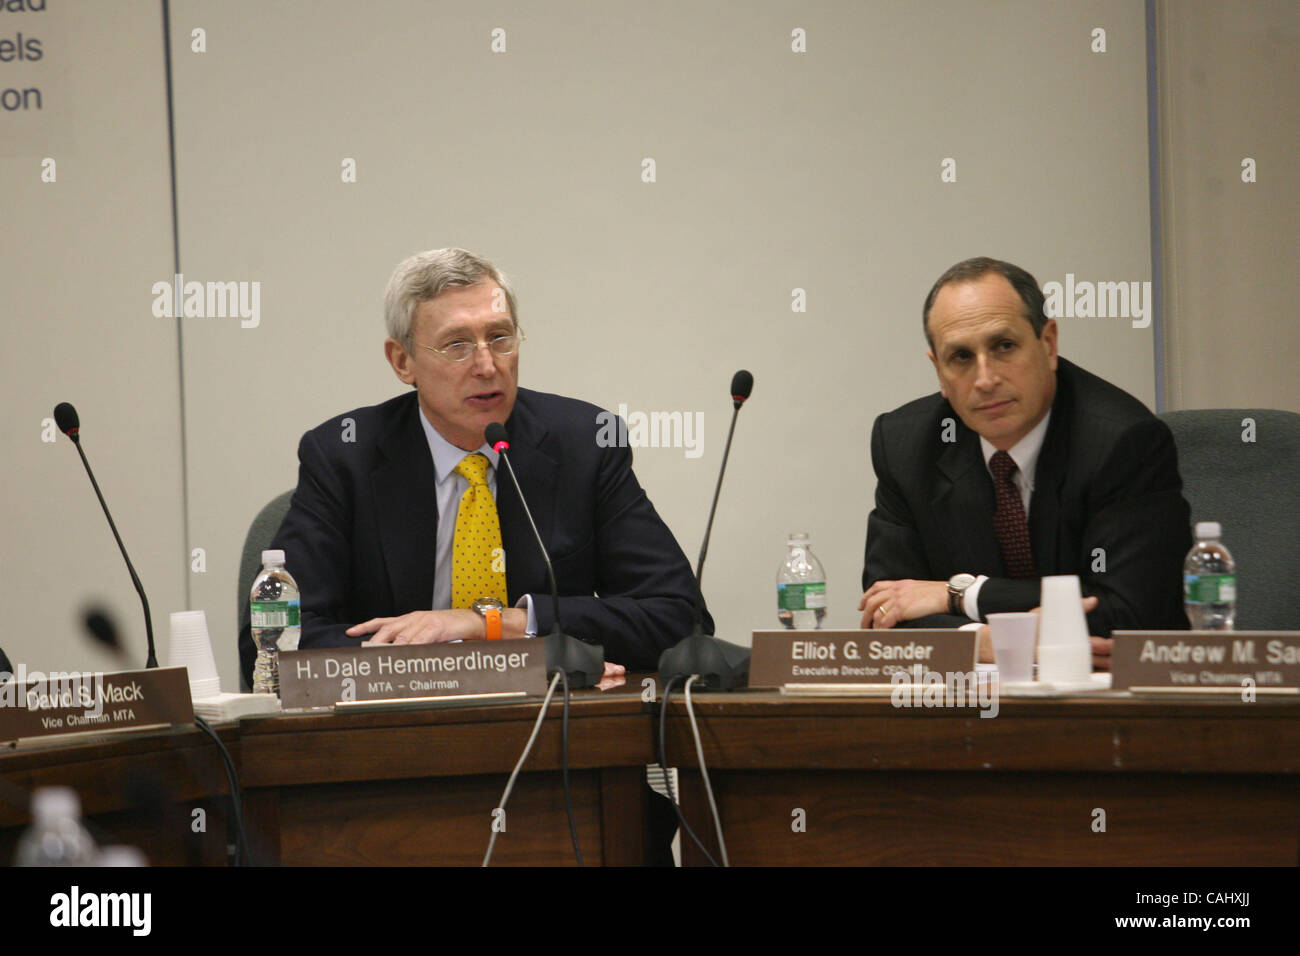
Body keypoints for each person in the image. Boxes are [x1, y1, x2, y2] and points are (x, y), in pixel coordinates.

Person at [239, 248, 705, 683]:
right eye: (456, 345)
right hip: (399, 741)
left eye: (499, 337)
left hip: (552, 738)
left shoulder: (585, 444)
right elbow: (272, 643)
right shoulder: (344, 457)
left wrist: (498, 626)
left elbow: (681, 619)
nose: (486, 365)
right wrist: (439, 666)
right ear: (403, 361)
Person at [858, 257, 1191, 667]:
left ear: (1048, 343)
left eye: (1004, 346)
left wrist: (959, 594)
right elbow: (885, 616)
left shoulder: (1122, 442)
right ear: (939, 373)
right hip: (965, 710)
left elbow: (1127, 617)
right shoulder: (906, 445)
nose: (985, 379)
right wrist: (983, 642)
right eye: (961, 357)